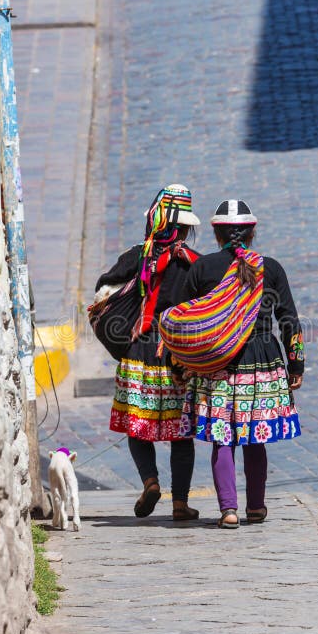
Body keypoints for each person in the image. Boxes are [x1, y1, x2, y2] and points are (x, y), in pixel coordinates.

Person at [178, 200, 304, 528]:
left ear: (217, 234)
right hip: (263, 362)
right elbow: (289, 318)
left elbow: (184, 321)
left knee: (223, 437)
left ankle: (228, 510)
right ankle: (256, 508)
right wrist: (296, 364)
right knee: (255, 435)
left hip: (216, 363)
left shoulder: (203, 269)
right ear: (252, 232)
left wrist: (182, 364)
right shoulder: (271, 268)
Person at [95, 184, 201, 520]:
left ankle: (151, 482)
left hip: (138, 353)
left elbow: (103, 292)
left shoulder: (136, 256)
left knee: (137, 427)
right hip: (176, 359)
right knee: (181, 433)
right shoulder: (193, 264)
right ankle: (181, 503)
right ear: (184, 228)